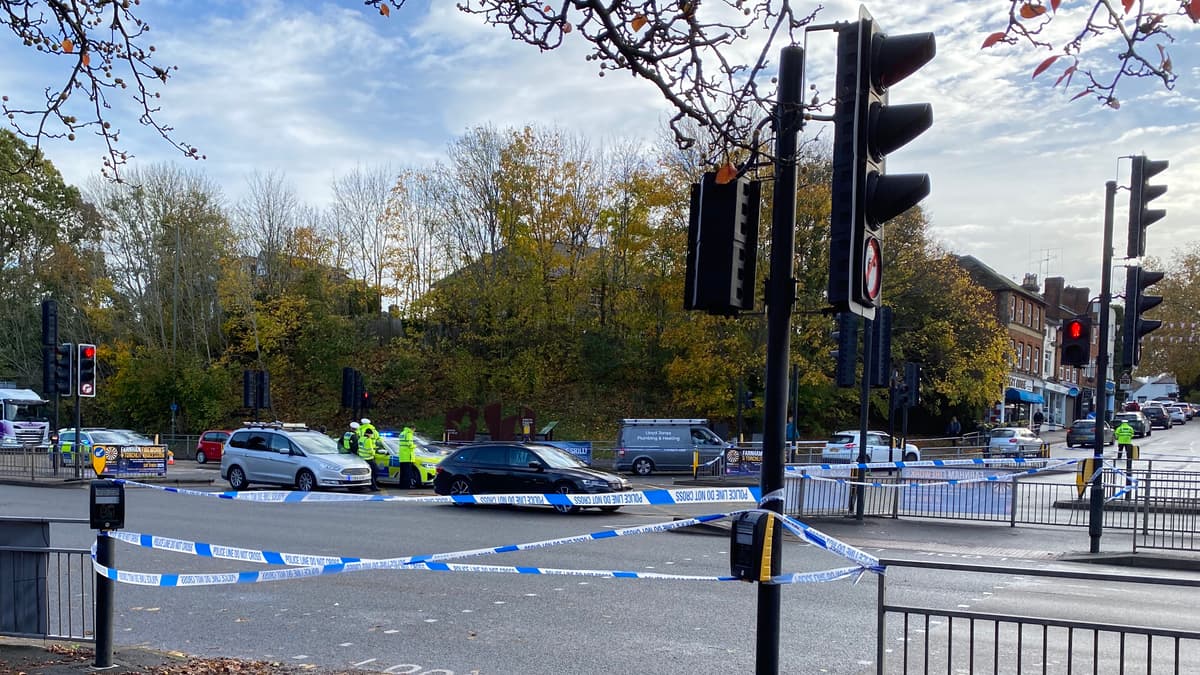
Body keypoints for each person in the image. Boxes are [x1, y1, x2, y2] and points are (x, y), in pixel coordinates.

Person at [357, 424, 380, 491]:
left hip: (362, 458)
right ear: (369, 434)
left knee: (366, 473)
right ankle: (373, 486)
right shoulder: (368, 440)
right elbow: (370, 450)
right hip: (369, 458)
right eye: (371, 435)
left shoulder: (361, 439)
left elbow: (361, 448)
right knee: (375, 472)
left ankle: (367, 485)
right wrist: (374, 452)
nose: (371, 436)